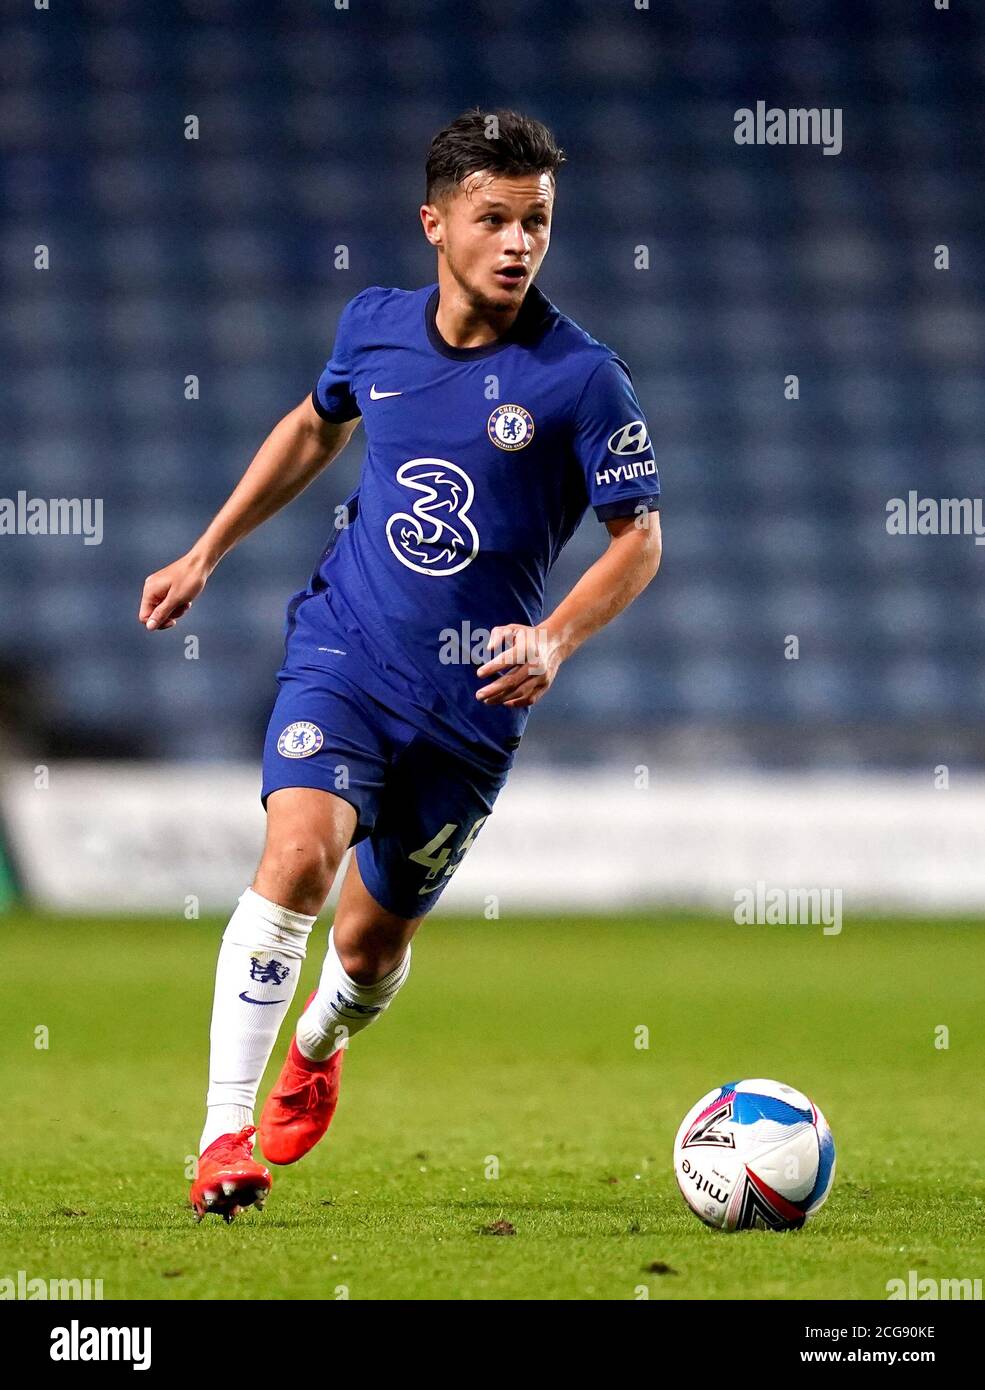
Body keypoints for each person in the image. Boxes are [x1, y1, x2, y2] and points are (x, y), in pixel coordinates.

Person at [139, 108, 662, 1222]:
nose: (519, 243)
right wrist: (206, 548)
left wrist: (555, 636)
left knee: (370, 946)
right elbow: (314, 425)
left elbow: (640, 538)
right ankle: (221, 1134)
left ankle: (318, 1045)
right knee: (297, 858)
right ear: (435, 224)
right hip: (346, 650)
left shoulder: (581, 379)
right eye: (494, 220)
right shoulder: (373, 328)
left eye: (537, 222)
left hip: (472, 705)